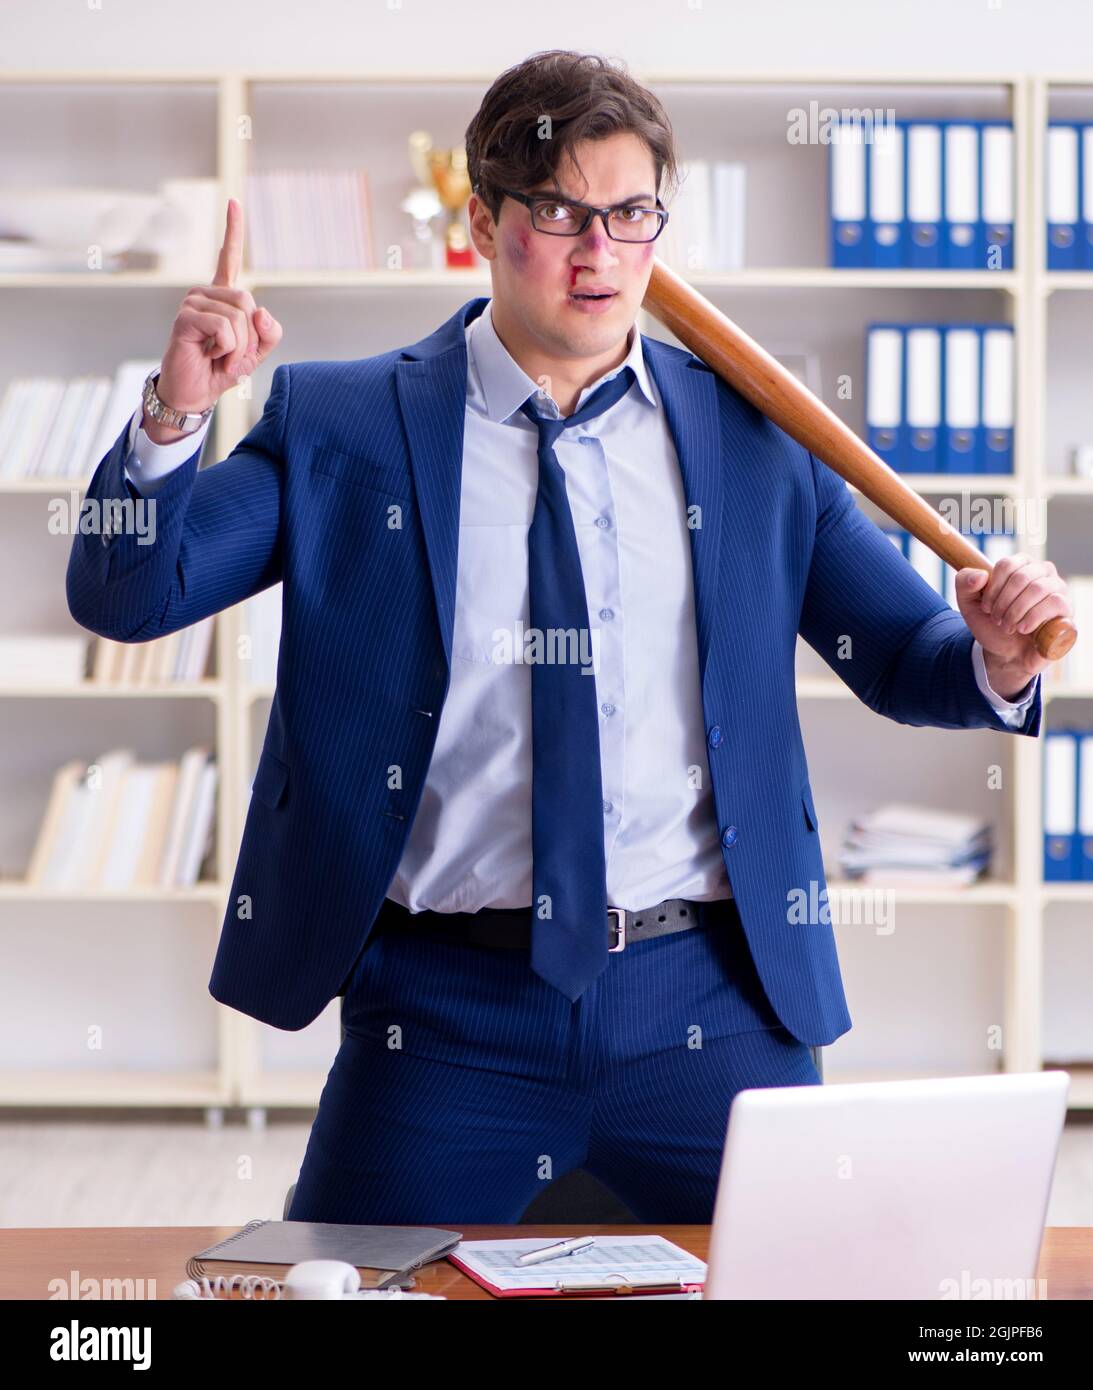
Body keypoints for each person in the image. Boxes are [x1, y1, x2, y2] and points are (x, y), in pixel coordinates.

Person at [67, 49, 1071, 1224]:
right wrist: (175, 409)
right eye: (558, 212)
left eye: (630, 213)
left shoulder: (759, 437)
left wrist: (998, 654)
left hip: (712, 1002)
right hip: (444, 1015)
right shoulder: (342, 424)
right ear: (484, 221)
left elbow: (907, 659)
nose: (599, 251)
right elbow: (132, 595)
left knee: (810, 1288)